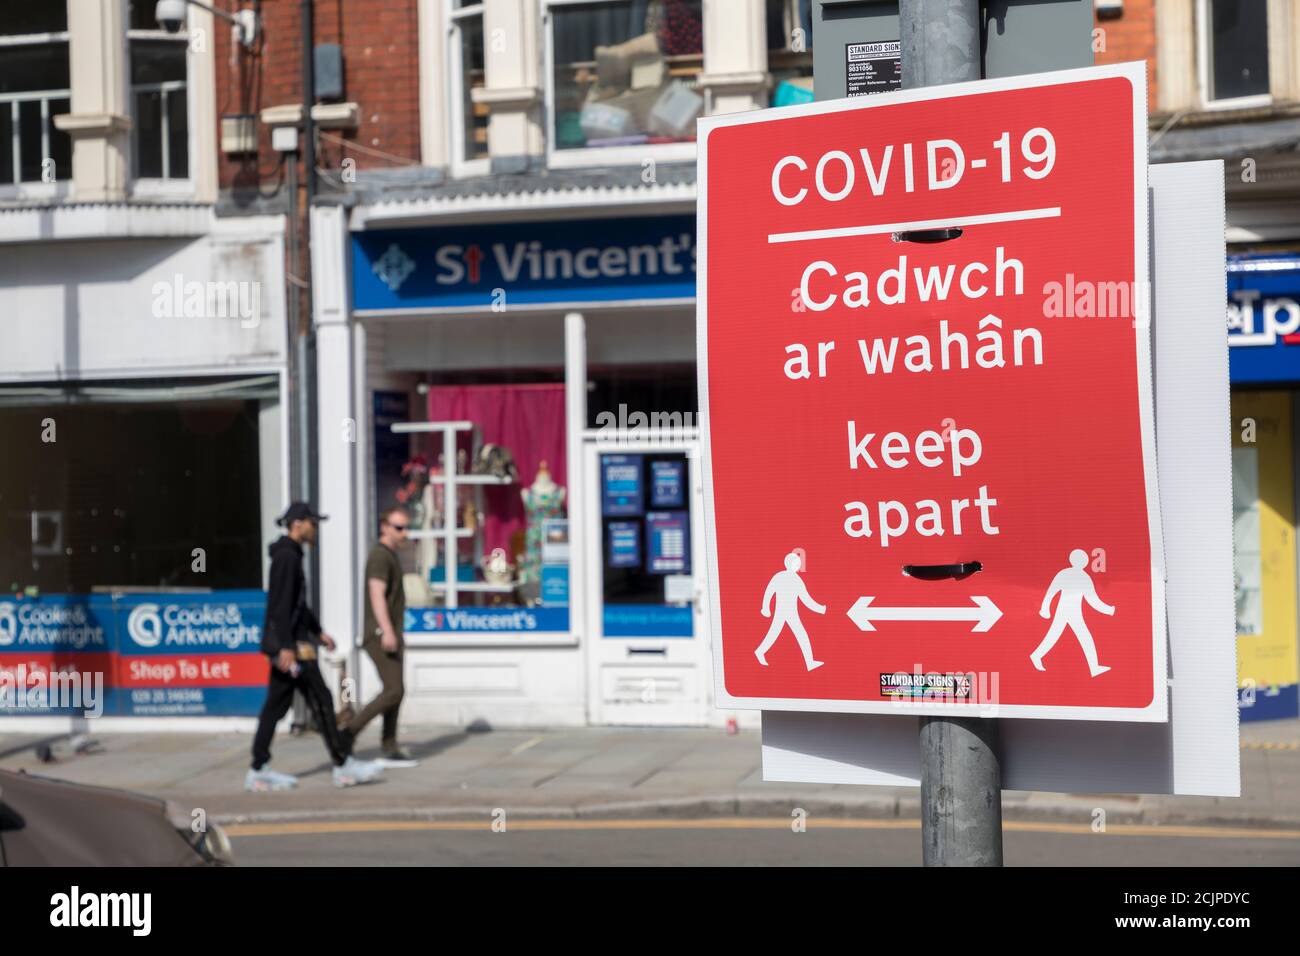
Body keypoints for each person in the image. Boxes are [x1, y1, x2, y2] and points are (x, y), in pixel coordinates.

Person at [246, 502, 383, 791]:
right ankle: (342, 765)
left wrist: (318, 632)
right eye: (313, 523)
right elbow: (280, 606)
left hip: (295, 642)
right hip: (293, 648)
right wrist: (286, 647)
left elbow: (297, 605)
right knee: (321, 700)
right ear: (298, 524)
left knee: (277, 705)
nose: (316, 529)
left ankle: (258, 768)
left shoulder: (290, 555)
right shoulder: (287, 558)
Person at [341, 507, 414, 763]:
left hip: (390, 631)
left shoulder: (390, 555)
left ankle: (389, 744)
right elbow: (376, 593)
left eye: (406, 527)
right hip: (380, 634)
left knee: (397, 690)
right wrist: (387, 631)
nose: (404, 533)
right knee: (393, 690)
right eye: (398, 527)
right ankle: (348, 733)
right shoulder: (380, 557)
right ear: (384, 526)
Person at [1031, 548, 1115, 677]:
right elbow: (1092, 600)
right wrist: (1109, 610)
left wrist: (1045, 608)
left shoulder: (1068, 574)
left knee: (1058, 636)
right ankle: (1094, 667)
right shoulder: (1080, 576)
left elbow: (1052, 592)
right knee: (1076, 636)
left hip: (1071, 612)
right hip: (1067, 612)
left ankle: (1094, 667)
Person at [755, 550, 826, 671]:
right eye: (797, 564)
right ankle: (809, 662)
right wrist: (821, 609)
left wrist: (820, 608)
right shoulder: (790, 578)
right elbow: (770, 591)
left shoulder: (788, 578)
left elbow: (805, 598)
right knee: (798, 634)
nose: (799, 566)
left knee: (777, 633)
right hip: (785, 612)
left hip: (789, 612)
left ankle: (760, 651)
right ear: (792, 564)